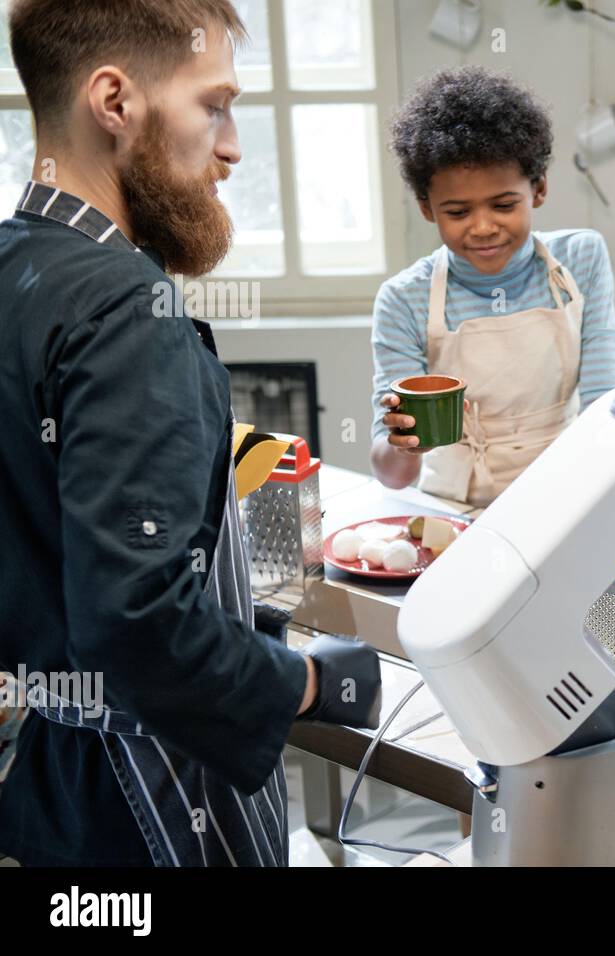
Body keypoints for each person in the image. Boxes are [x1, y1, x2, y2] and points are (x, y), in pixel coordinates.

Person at [0, 0, 380, 866]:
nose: (234, 144)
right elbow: (137, 622)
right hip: (148, 801)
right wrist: (316, 682)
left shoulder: (12, 263)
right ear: (114, 101)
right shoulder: (129, 311)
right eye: (213, 106)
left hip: (48, 785)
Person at [371, 66, 615, 507]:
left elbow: (604, 406)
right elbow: (393, 477)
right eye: (457, 212)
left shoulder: (581, 259)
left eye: (504, 205)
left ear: (539, 189)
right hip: (454, 513)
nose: (484, 227)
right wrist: (400, 445)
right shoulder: (403, 299)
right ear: (427, 208)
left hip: (564, 497)